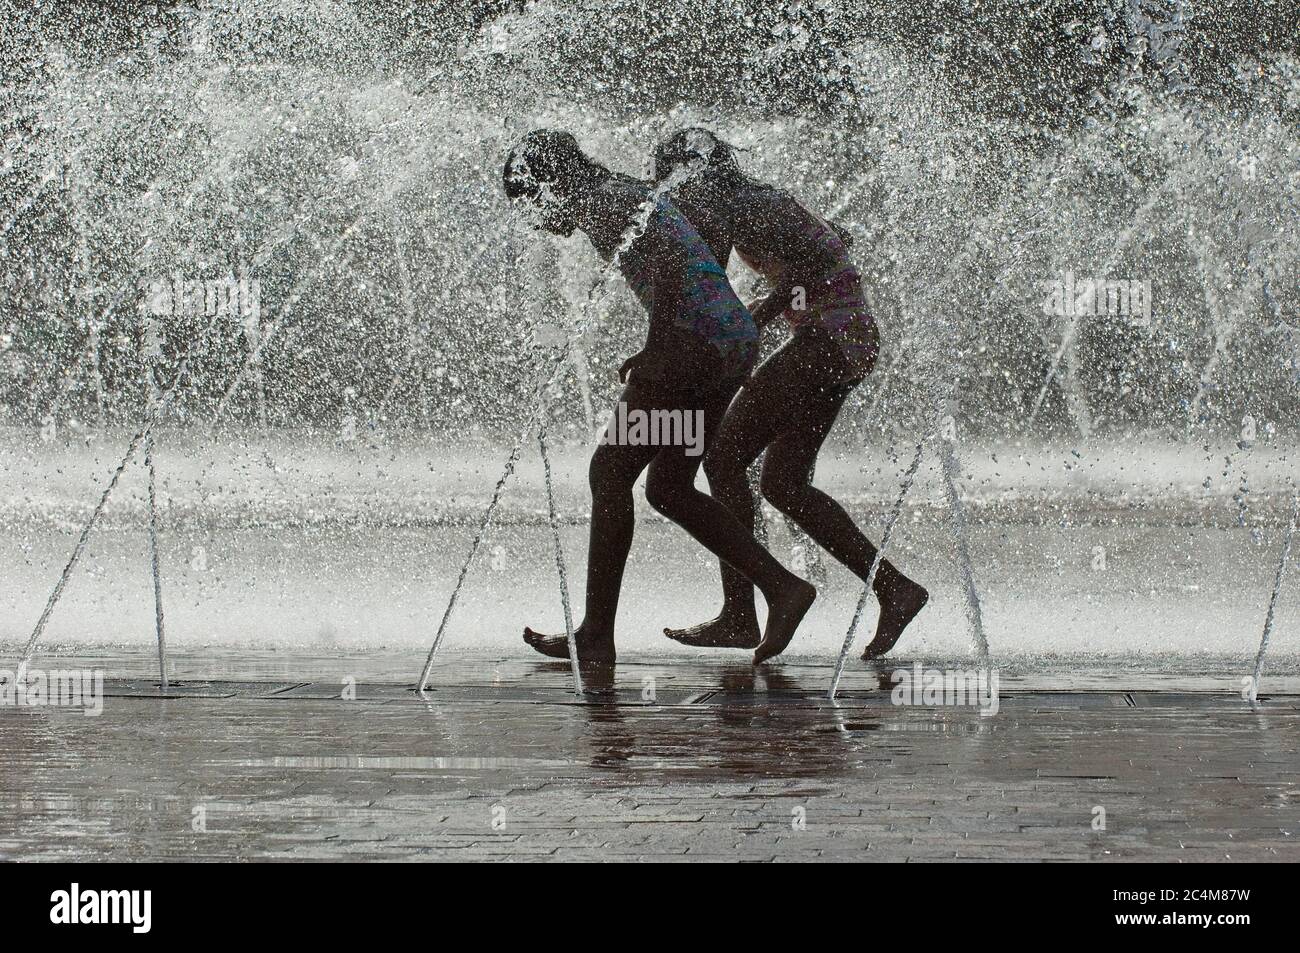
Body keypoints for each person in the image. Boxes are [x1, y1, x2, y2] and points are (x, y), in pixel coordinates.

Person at [503, 129, 816, 670]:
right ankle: (782, 588)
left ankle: (597, 635)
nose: (533, 214)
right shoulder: (614, 193)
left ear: (551, 182)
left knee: (609, 471)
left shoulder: (601, 202)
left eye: (531, 198)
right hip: (726, 342)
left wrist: (656, 347)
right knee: (668, 486)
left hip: (693, 347)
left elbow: (673, 265)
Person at [653, 128, 928, 662]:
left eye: (675, 183)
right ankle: (894, 589)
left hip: (828, 338)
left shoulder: (739, 206)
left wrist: (757, 318)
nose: (676, 196)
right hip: (844, 340)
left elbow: (804, 264)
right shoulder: (757, 198)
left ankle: (741, 613)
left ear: (694, 174)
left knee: (723, 459)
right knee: (783, 483)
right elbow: (834, 239)